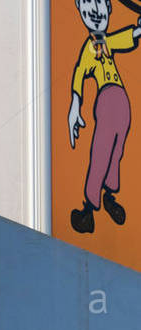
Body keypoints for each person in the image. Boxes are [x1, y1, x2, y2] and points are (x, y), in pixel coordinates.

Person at [68, 0, 141, 233]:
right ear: (79, 11)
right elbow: (80, 72)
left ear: (109, 9)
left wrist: (138, 29)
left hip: (122, 103)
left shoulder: (107, 41)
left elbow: (124, 38)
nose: (95, 14)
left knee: (116, 151)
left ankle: (109, 195)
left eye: (99, 8)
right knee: (101, 151)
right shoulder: (91, 47)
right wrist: (75, 104)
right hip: (107, 99)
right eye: (88, 10)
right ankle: (89, 208)